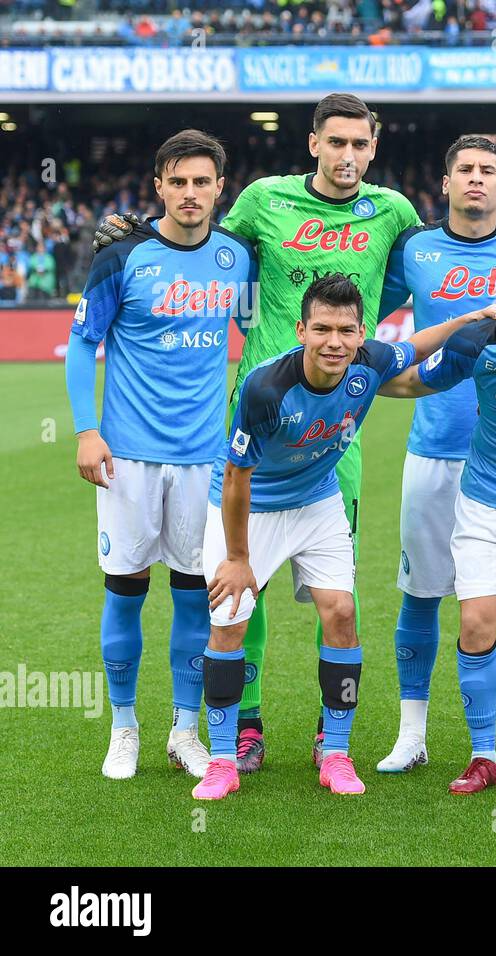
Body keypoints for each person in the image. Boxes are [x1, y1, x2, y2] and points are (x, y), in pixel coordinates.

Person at [92, 93, 496, 773]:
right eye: (334, 142)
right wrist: (136, 235)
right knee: (237, 584)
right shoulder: (261, 199)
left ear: (374, 149)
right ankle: (243, 725)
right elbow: (201, 244)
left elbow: (434, 252)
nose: (346, 156)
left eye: (359, 145)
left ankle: (325, 731)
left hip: (339, 426)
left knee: (333, 593)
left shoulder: (392, 212)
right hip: (258, 408)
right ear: (312, 143)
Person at [192, 274, 496, 801]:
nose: (334, 342)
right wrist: (238, 558)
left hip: (317, 500)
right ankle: (221, 761)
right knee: (229, 624)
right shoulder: (266, 388)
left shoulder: (368, 363)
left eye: (346, 331)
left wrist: (465, 322)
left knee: (341, 613)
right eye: (323, 329)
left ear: (361, 335)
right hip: (252, 505)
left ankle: (335, 752)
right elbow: (237, 475)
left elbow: (412, 349)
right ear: (301, 330)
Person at [66, 130, 256, 782]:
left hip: (203, 460)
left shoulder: (237, 260)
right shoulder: (121, 256)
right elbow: (79, 342)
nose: (190, 193)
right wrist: (86, 430)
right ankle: (124, 728)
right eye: (178, 181)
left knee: (192, 597)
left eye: (202, 182)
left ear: (219, 188)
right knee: (124, 591)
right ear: (158, 187)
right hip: (129, 459)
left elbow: (259, 331)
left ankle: (183, 730)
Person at [374, 135, 496, 774]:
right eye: (464, 171)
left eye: (488, 172)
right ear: (445, 185)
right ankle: (411, 733)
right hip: (435, 451)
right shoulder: (417, 249)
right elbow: (365, 306)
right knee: (421, 594)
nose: (475, 179)